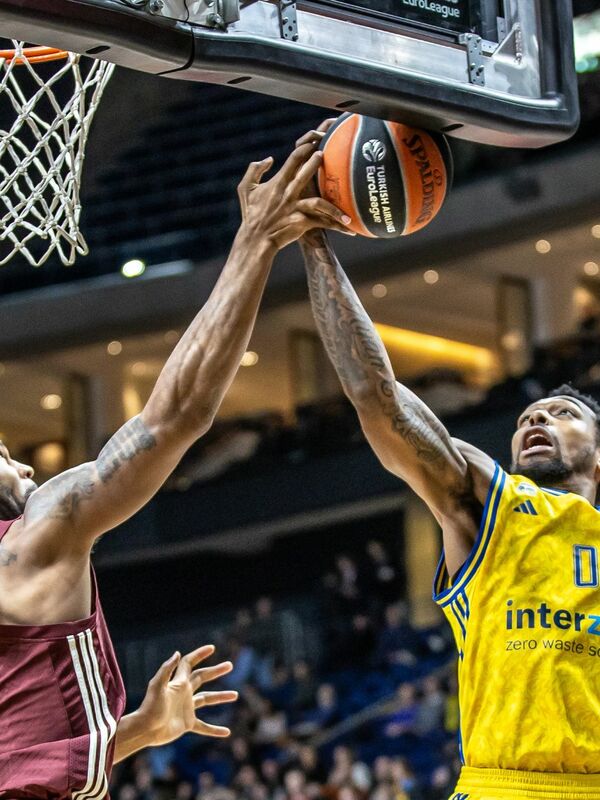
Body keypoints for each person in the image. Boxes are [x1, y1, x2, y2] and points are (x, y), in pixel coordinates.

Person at [0, 130, 353, 798]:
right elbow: (175, 416)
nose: (21, 464)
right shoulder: (35, 534)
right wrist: (255, 242)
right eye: (3, 457)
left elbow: (19, 753)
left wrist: (141, 729)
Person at [300, 120, 600, 799]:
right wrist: (314, 243)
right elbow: (378, 399)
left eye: (561, 413)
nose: (535, 420)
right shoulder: (491, 504)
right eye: (526, 418)